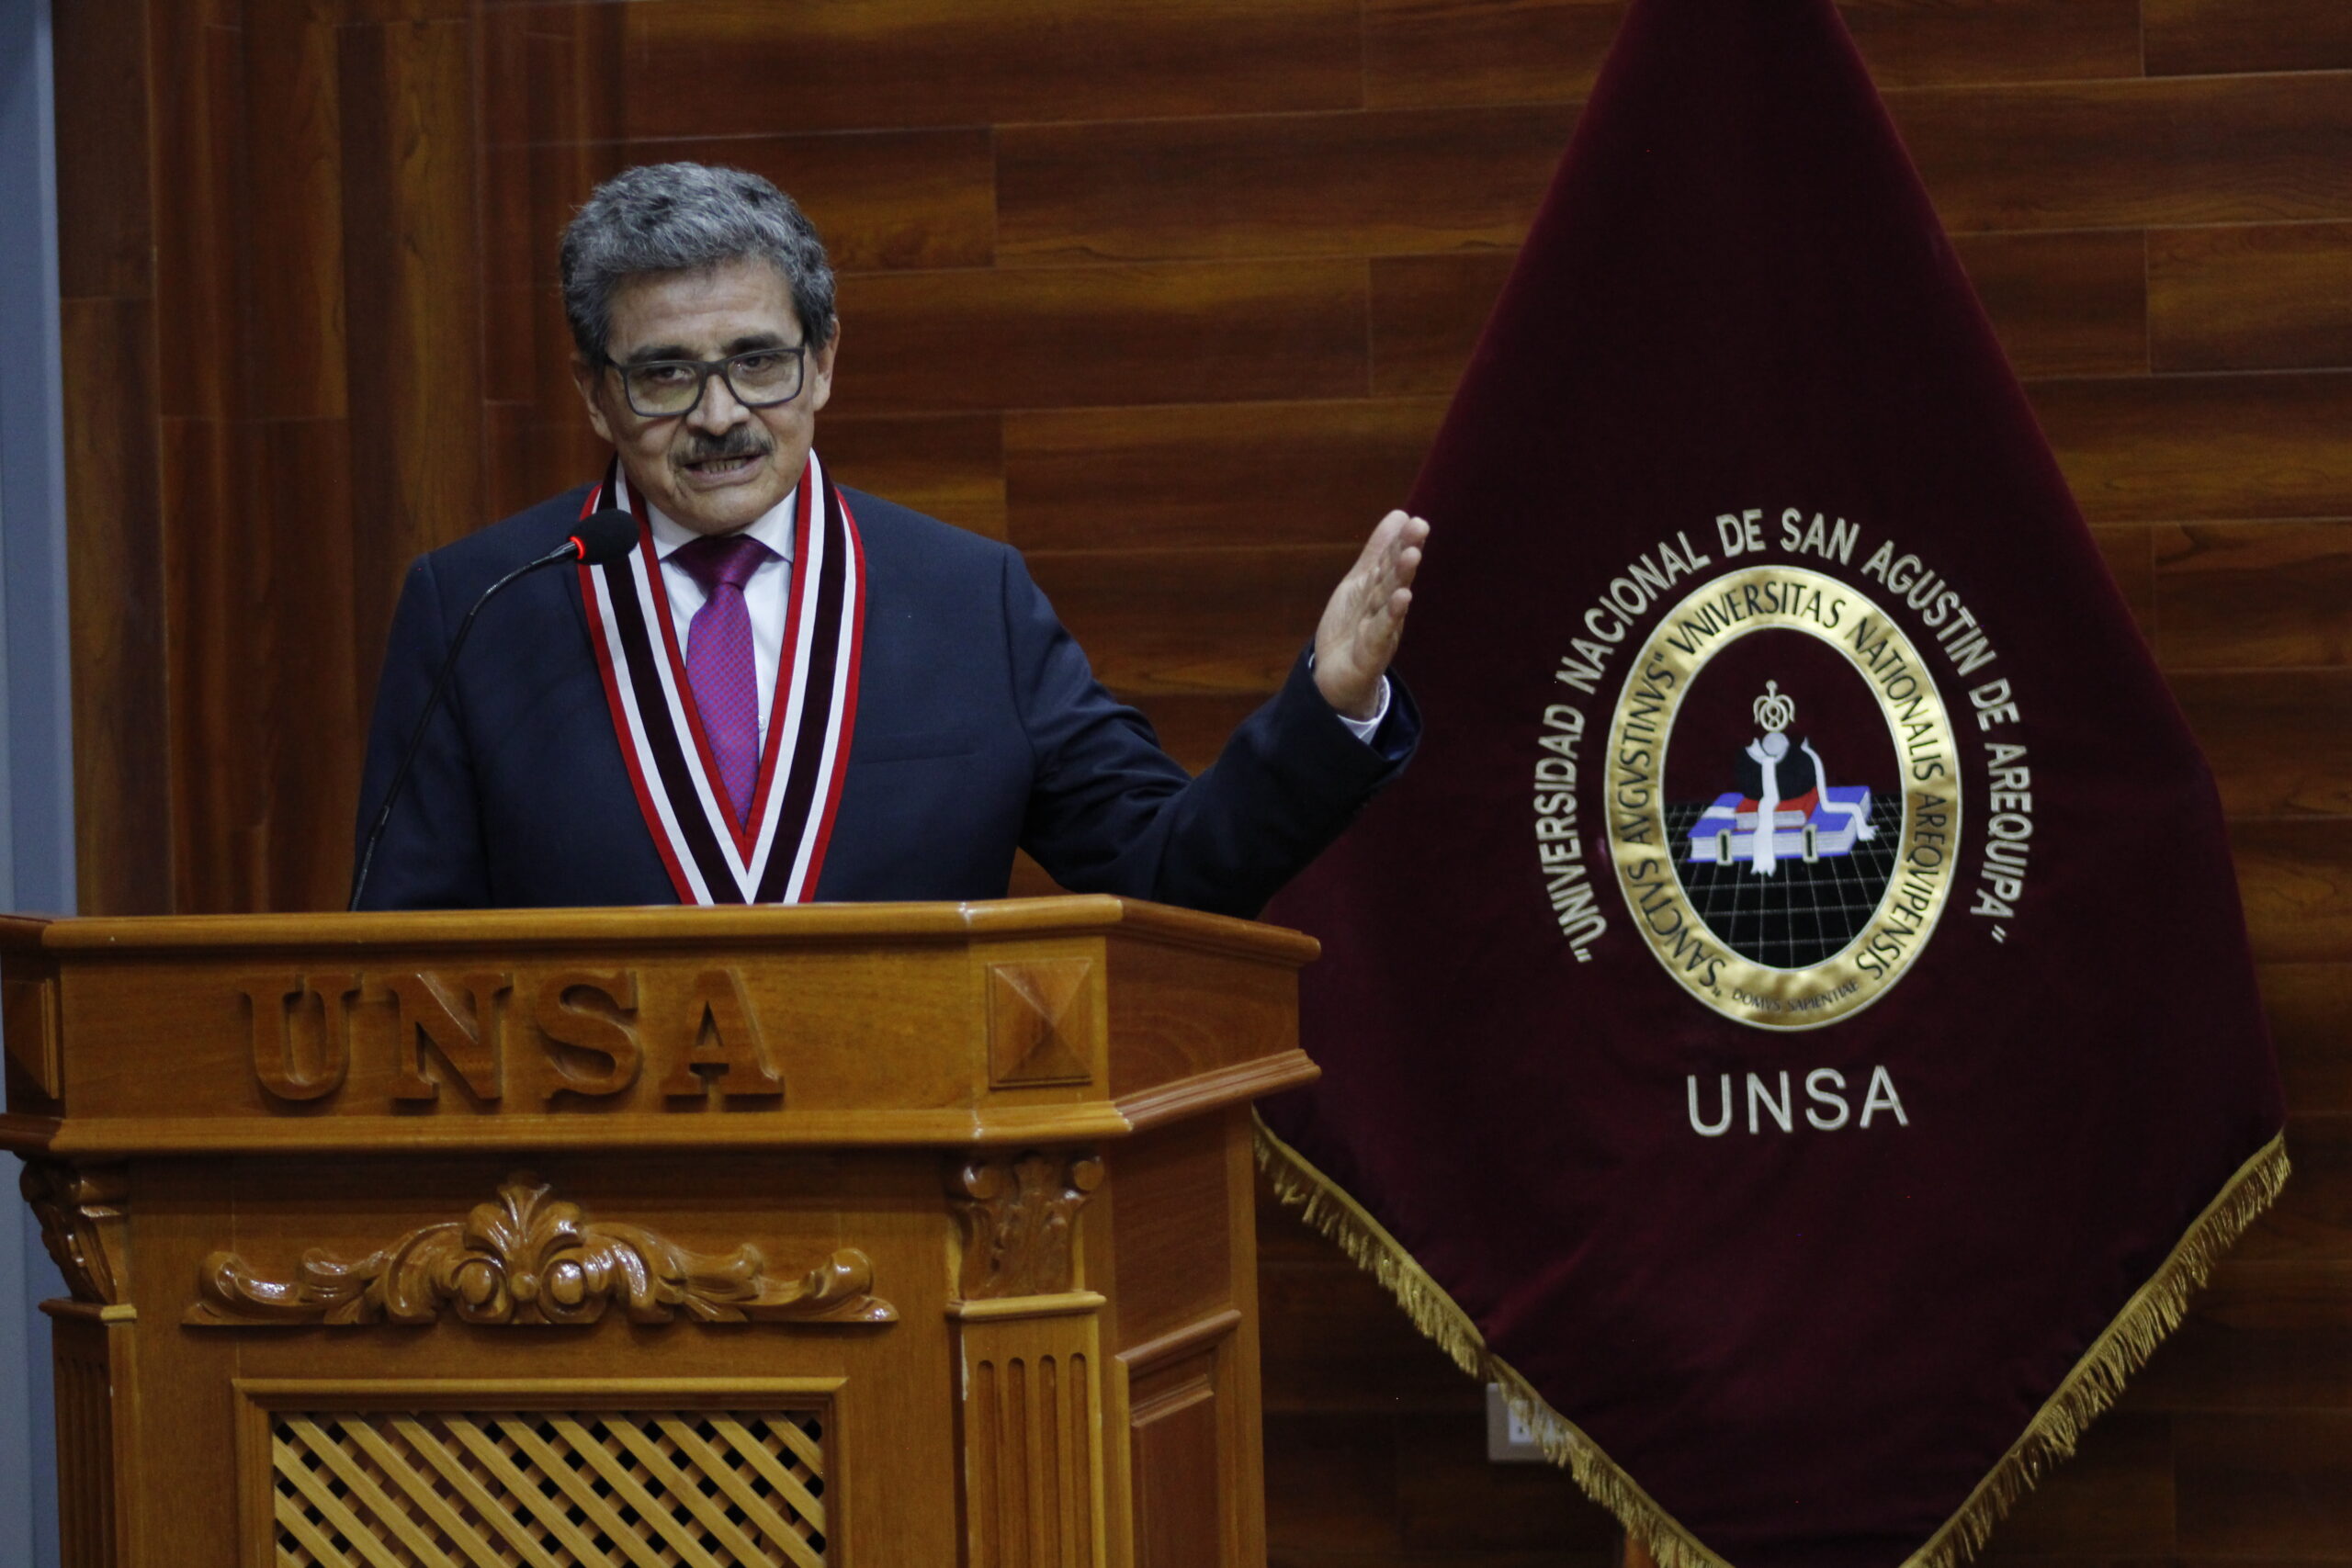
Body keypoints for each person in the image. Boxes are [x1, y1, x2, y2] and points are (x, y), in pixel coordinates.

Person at [353, 163, 1427, 916]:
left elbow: (1164, 871)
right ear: (594, 392)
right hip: (588, 1174)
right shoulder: (480, 604)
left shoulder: (968, 598)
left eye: (758, 362)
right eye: (665, 374)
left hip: (919, 1168)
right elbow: (401, 968)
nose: (720, 415)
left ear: (823, 363)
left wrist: (1328, 708)